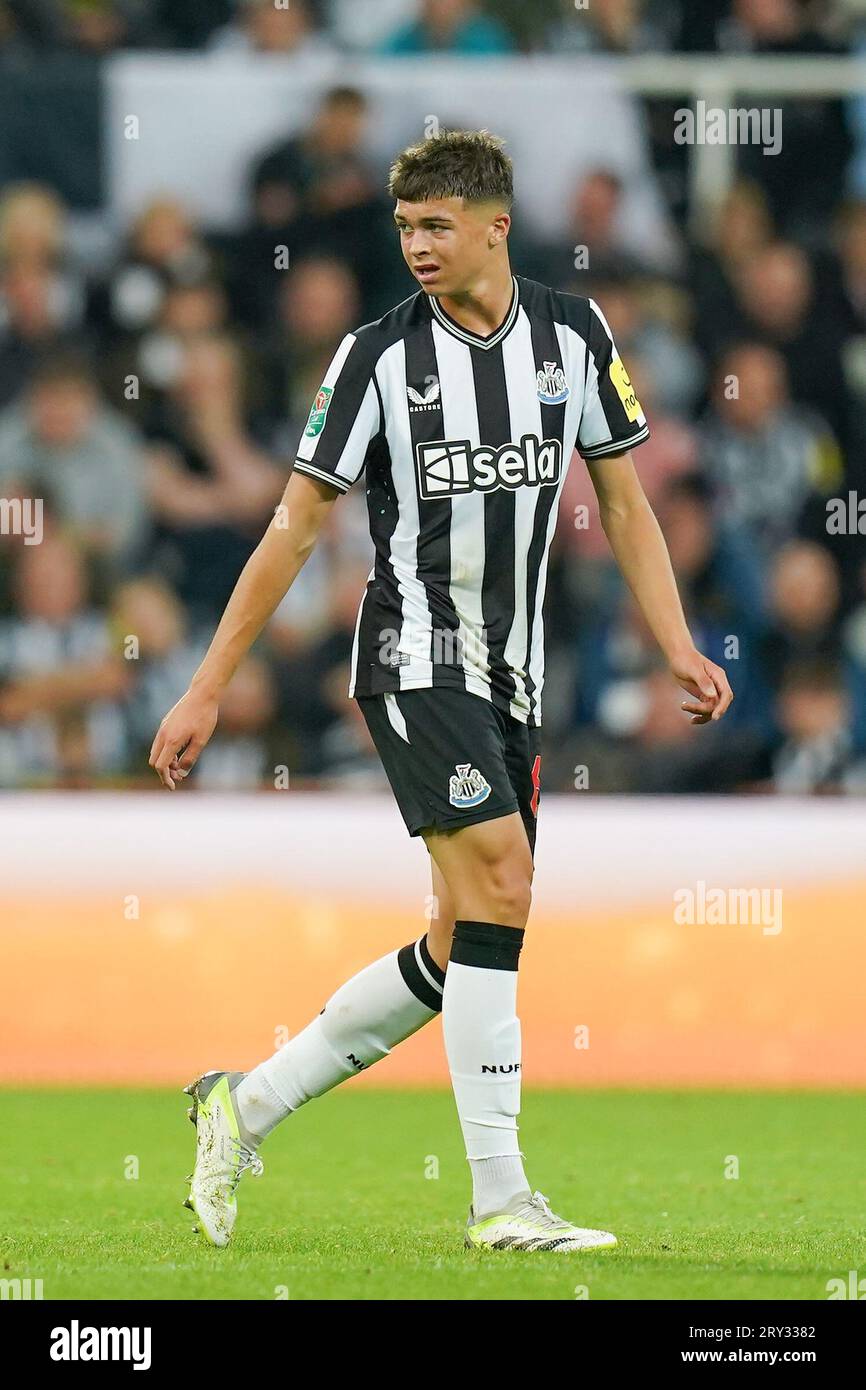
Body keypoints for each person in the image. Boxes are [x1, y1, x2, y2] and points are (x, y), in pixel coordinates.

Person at [149, 129, 733, 1253]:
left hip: (513, 676)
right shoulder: (373, 359)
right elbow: (291, 526)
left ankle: (244, 1102)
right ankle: (500, 1199)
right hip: (413, 659)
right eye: (404, 227)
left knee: (455, 934)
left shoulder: (573, 335)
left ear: (493, 226)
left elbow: (621, 503)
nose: (415, 245)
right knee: (504, 886)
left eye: (435, 226)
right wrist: (206, 683)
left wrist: (673, 641)